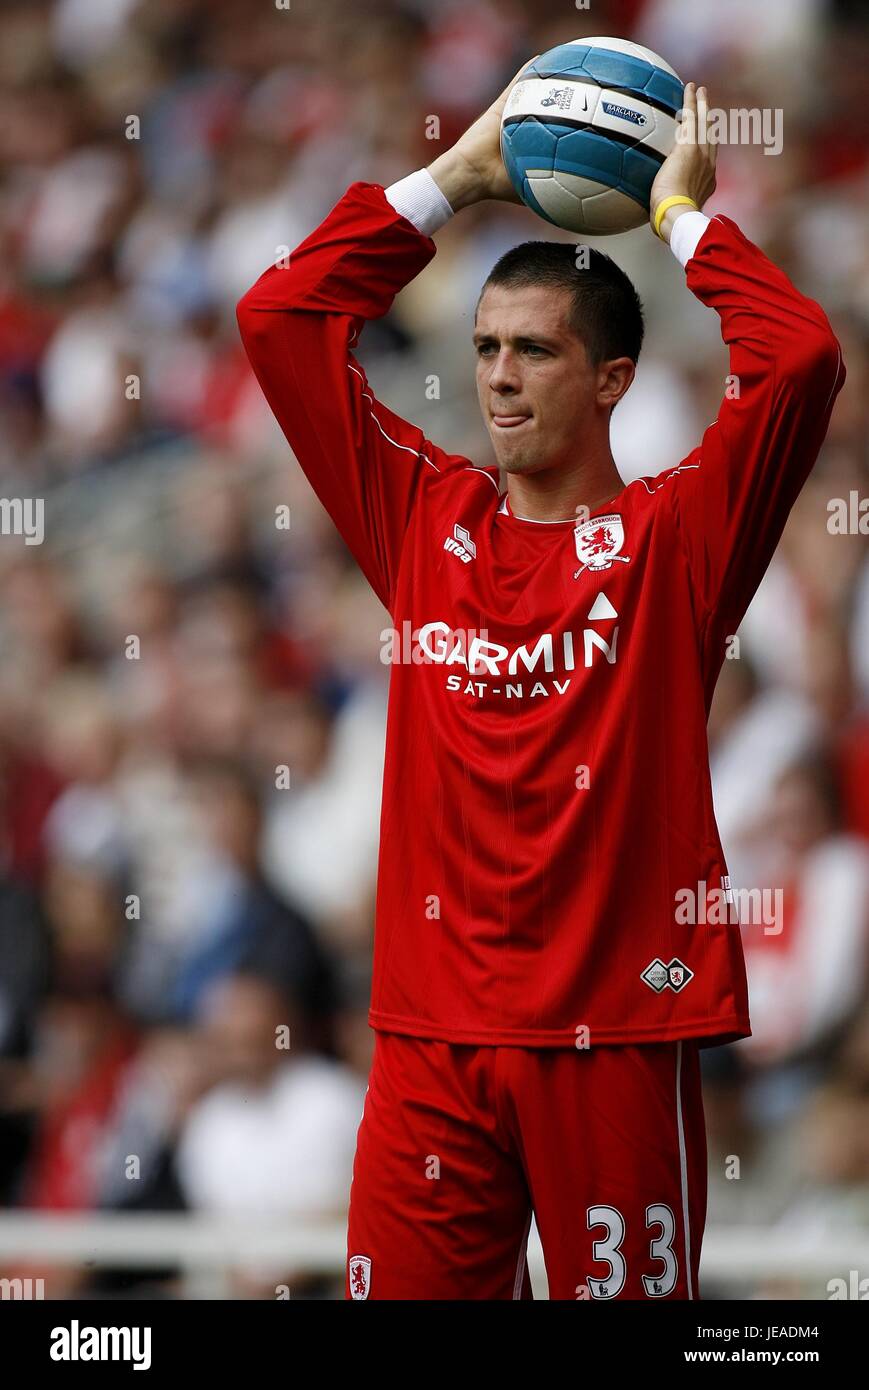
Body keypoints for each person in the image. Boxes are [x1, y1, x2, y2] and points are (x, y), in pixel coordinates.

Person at [236, 69, 845, 1300]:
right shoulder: (417, 514)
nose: (498, 378)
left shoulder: (678, 542)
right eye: (484, 349)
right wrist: (452, 179)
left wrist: (682, 220)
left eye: (533, 351)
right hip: (428, 1043)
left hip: (612, 1041)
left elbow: (798, 359)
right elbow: (280, 320)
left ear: (612, 378)